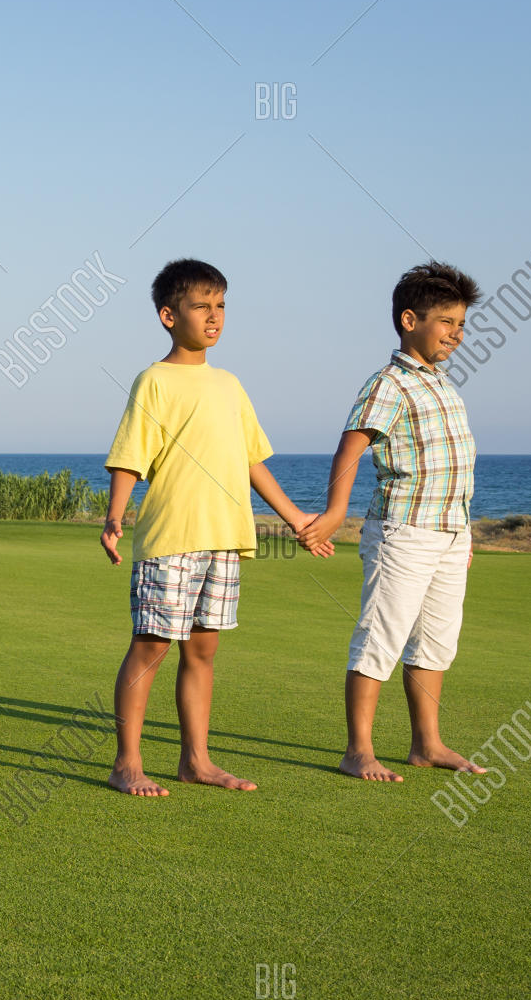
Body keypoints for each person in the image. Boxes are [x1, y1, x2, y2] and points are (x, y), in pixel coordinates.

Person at [101, 259, 330, 797]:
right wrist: (114, 517)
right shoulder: (153, 380)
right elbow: (129, 457)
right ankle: (127, 762)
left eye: (221, 305)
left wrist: (296, 519)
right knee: (151, 646)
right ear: (167, 315)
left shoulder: (229, 384)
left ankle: (195, 761)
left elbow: (251, 462)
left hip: (224, 539)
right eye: (201, 306)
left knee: (202, 652)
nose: (214, 316)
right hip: (170, 538)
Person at [301, 261, 487, 782]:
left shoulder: (444, 384)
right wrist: (335, 512)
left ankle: (426, 744)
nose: (457, 333)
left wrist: (462, 532)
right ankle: (357, 750)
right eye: (447, 321)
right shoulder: (390, 383)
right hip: (403, 533)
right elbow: (351, 446)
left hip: (450, 534)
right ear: (410, 319)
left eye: (462, 324)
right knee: (381, 637)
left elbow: (453, 465)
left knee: (435, 641)